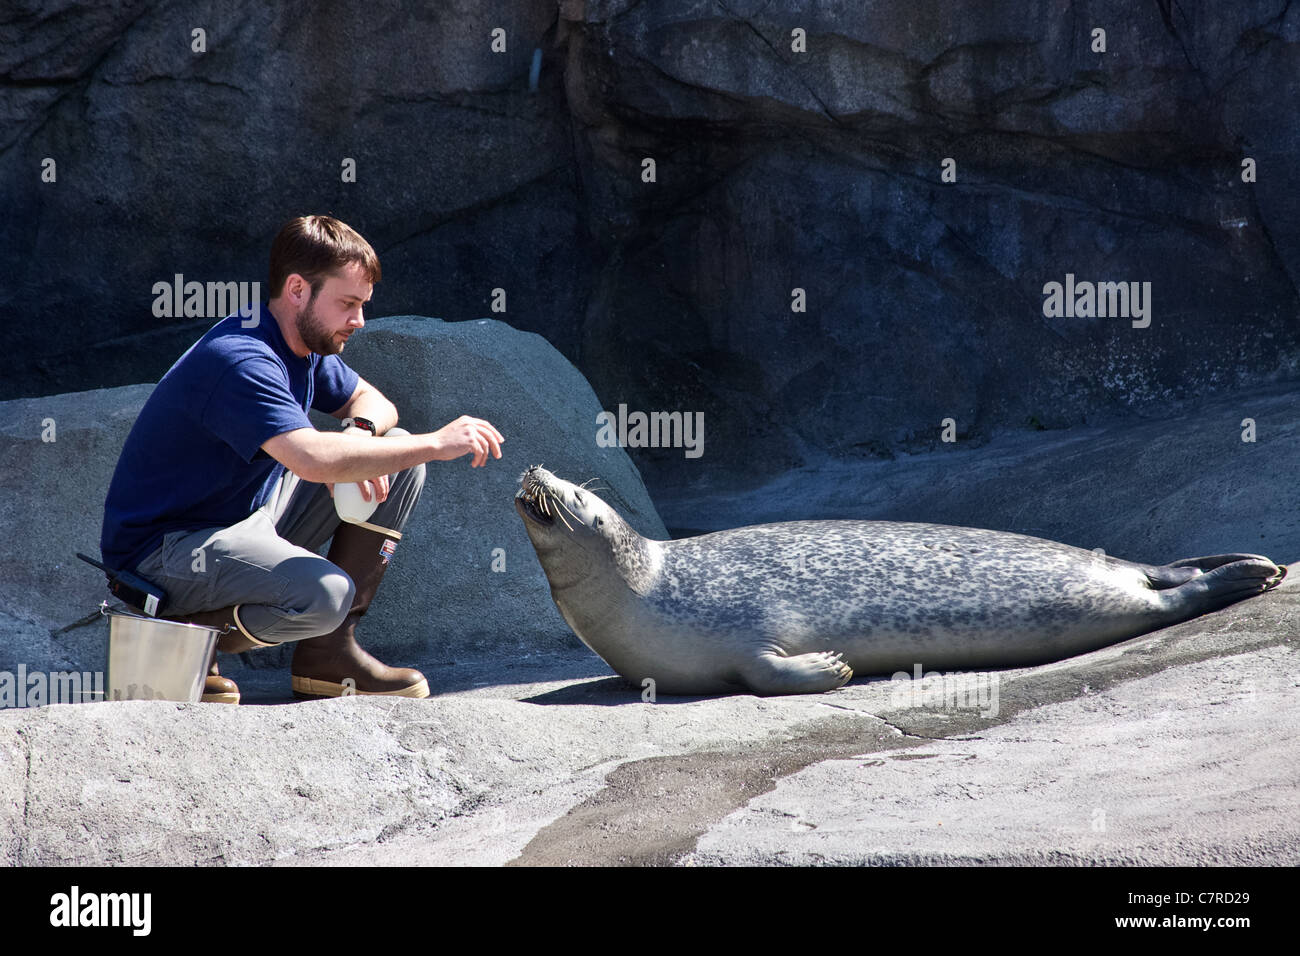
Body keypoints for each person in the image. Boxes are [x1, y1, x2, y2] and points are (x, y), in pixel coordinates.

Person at [99, 215, 504, 704]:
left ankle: (328, 656)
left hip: (247, 520)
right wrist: (435, 444)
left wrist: (357, 439)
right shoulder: (241, 357)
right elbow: (311, 459)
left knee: (395, 461)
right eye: (348, 304)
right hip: (168, 551)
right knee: (325, 592)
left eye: (362, 305)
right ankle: (173, 643)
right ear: (297, 289)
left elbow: (375, 404)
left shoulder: (304, 341)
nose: (358, 321)